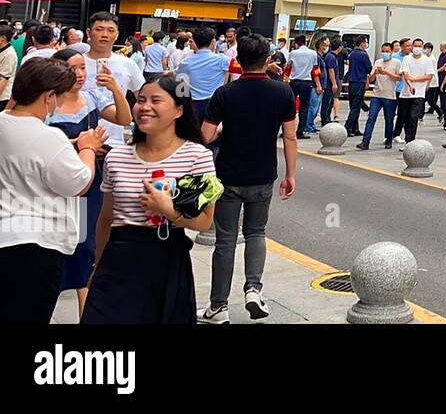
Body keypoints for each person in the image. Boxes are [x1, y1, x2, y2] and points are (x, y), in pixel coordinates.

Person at [83, 75, 218, 324]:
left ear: (179, 110)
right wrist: (98, 264)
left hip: (166, 259)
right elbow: (106, 218)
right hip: (118, 258)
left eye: (156, 100)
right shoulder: (117, 157)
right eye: (141, 100)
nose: (144, 107)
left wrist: (167, 209)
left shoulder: (197, 156)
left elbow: (204, 222)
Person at [0, 60, 106, 324]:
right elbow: (79, 182)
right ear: (49, 96)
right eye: (60, 97)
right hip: (35, 245)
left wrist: (68, 146)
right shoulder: (47, 136)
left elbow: (27, 158)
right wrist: (87, 148)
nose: (59, 104)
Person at [198, 35, 297, 323]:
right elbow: (289, 135)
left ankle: (218, 306)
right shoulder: (282, 93)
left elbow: (205, 135)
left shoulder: (225, 93)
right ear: (268, 60)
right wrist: (290, 174)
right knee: (256, 232)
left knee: (226, 240)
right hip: (263, 174)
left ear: (238, 60)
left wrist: (221, 131)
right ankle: (254, 289)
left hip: (228, 175)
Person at [48, 49, 130, 315]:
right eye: (74, 68)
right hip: (56, 186)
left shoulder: (93, 98)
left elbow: (124, 118)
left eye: (84, 68)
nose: (81, 74)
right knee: (56, 244)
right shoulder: (48, 104)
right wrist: (78, 145)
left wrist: (116, 87)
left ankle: (87, 314)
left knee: (85, 245)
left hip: (88, 181)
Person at [81, 12, 145, 146]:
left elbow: (142, 97)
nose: (105, 35)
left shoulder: (128, 64)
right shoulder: (76, 63)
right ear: (89, 32)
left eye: (110, 30)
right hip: (79, 138)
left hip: (115, 141)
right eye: (99, 29)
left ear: (116, 35)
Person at [175, 26, 229, 147]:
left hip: (192, 106)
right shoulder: (222, 60)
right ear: (213, 42)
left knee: (192, 140)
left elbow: (180, 89)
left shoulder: (185, 63)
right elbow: (243, 67)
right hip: (215, 104)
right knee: (214, 143)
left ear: (194, 42)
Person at [357, 42, 402, 150]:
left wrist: (386, 72)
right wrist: (374, 73)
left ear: (391, 51)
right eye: (383, 51)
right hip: (377, 94)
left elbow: (399, 78)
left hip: (390, 96)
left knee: (389, 119)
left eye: (387, 51)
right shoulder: (378, 62)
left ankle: (388, 139)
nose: (385, 53)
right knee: (371, 117)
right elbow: (371, 79)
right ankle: (365, 141)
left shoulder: (396, 63)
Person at [397, 39, 435, 142]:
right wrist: (410, 84)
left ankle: (410, 141)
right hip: (405, 94)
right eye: (415, 45)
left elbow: (428, 75)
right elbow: (405, 74)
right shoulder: (406, 59)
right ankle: (407, 138)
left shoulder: (427, 60)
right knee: (405, 118)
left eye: (419, 46)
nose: (417, 48)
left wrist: (414, 79)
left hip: (419, 94)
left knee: (413, 117)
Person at [287, 35, 318, 138]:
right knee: (304, 107)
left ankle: (287, 130)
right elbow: (315, 70)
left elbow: (288, 66)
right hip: (306, 82)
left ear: (296, 43)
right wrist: (318, 85)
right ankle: (300, 131)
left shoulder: (293, 53)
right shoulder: (313, 53)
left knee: (290, 106)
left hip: (294, 82)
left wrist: (285, 78)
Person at [343, 36, 371, 137]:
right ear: (362, 43)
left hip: (351, 82)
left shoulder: (352, 54)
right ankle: (347, 127)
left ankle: (355, 129)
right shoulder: (364, 55)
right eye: (366, 42)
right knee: (356, 107)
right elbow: (369, 68)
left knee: (353, 106)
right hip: (359, 82)